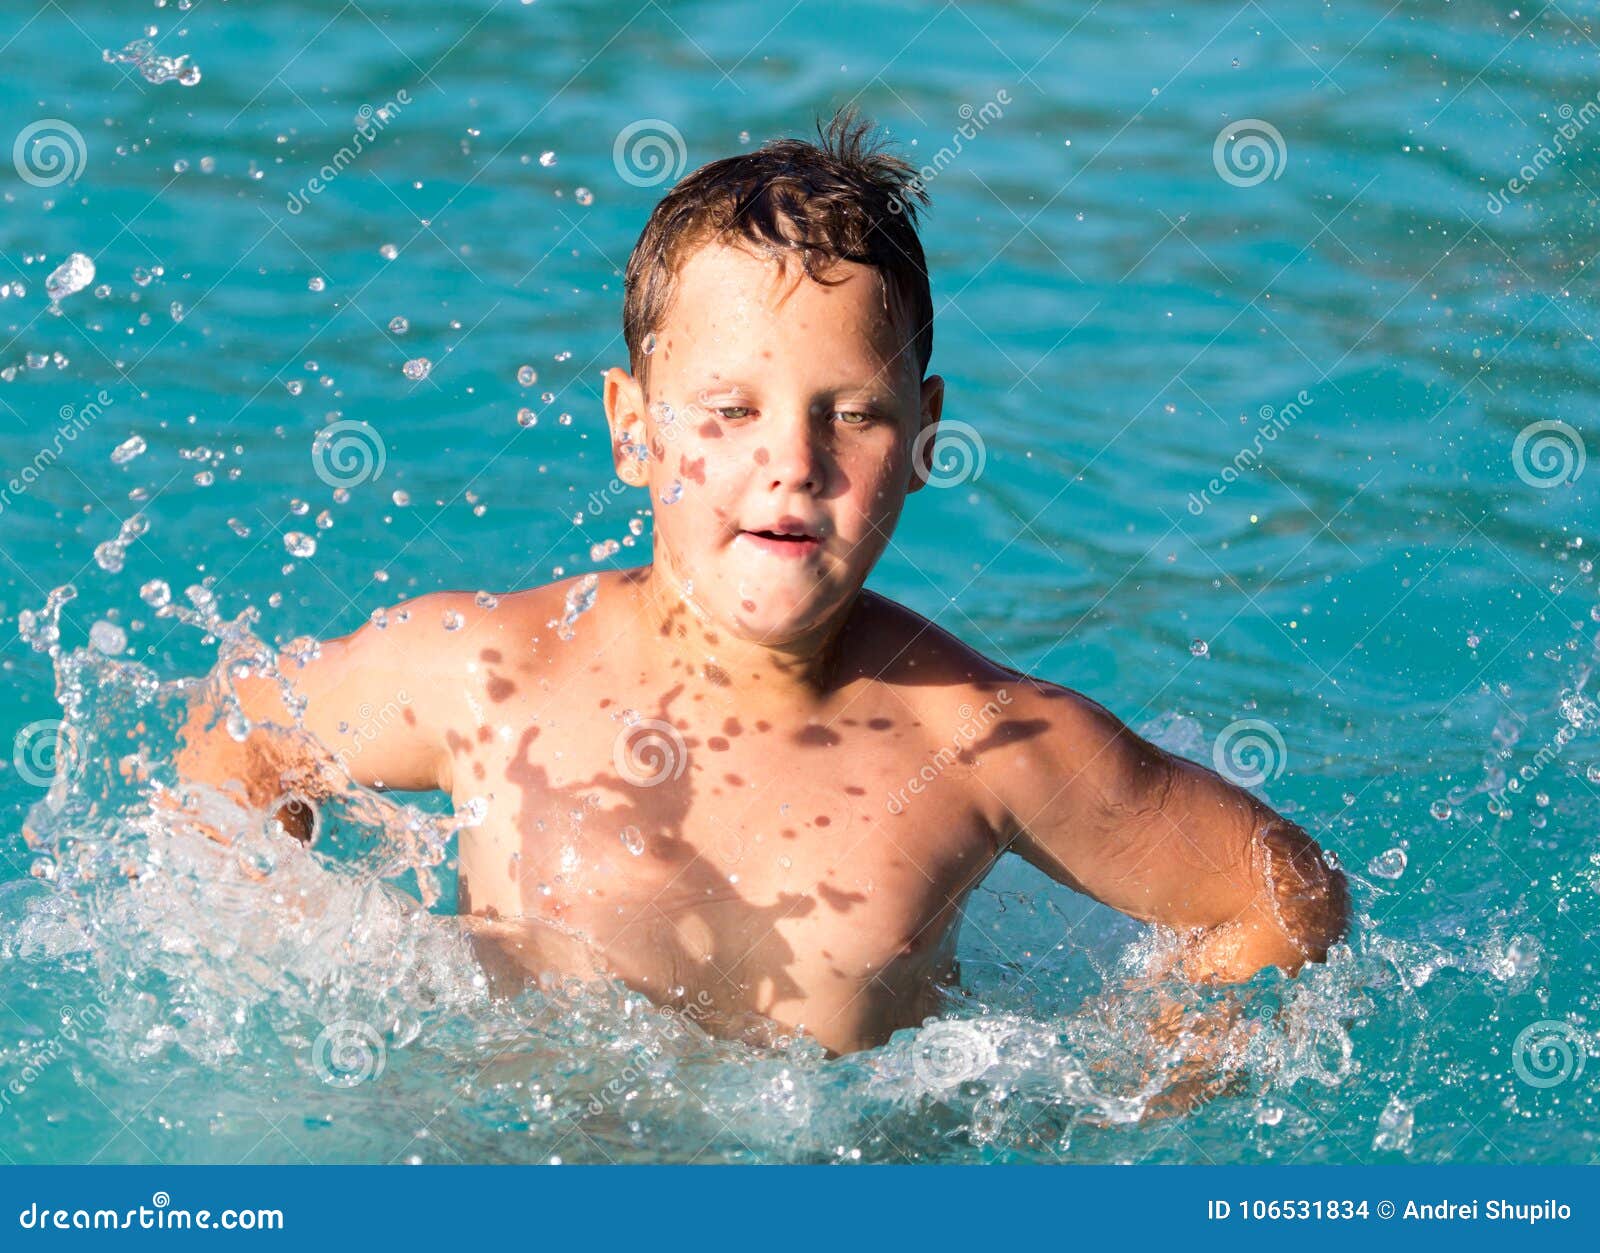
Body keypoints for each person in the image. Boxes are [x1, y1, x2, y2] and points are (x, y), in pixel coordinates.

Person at [176, 109, 1348, 1071]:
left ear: (925, 435)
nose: (791, 461)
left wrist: (1141, 1085)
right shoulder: (489, 675)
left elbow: (1283, 898)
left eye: (851, 412)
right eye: (729, 413)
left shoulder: (984, 743)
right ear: (633, 430)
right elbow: (239, 735)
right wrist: (293, 961)